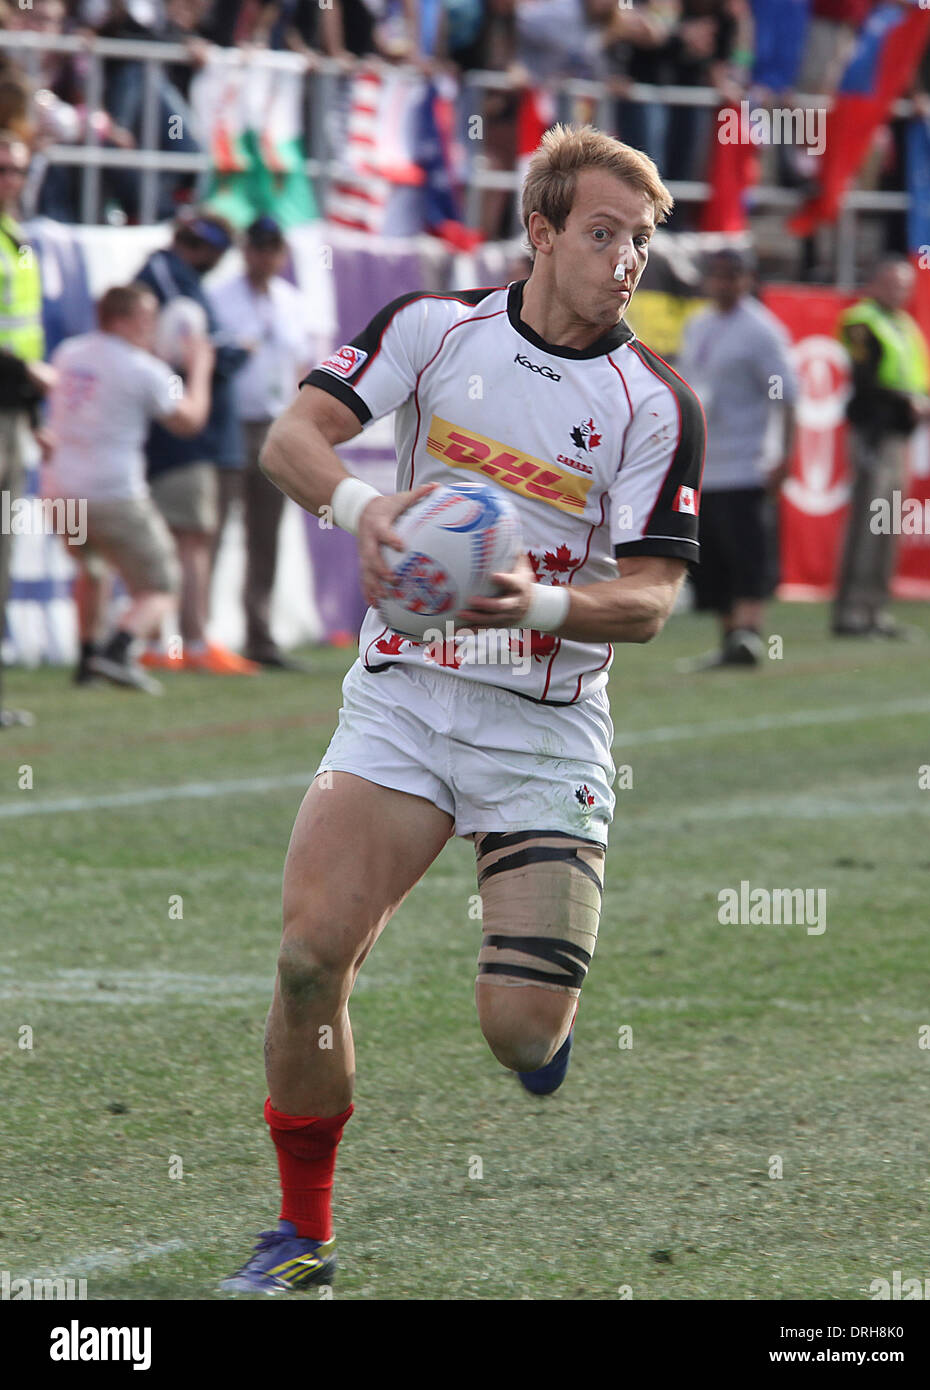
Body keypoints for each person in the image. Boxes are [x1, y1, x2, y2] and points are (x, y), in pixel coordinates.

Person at [220, 123, 705, 1295]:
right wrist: (360, 511)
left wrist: (526, 596)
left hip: (542, 728)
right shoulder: (432, 329)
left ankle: (545, 1024)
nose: (626, 260)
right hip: (404, 697)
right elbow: (295, 438)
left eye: (639, 241)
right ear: (540, 231)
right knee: (306, 959)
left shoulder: (654, 402)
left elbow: (644, 603)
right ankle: (302, 1236)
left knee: (517, 1031)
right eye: (603, 234)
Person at [42, 284, 214, 692]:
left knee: (92, 569)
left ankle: (86, 662)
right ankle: (118, 650)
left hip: (63, 488)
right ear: (122, 319)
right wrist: (201, 367)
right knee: (162, 585)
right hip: (113, 491)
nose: (152, 326)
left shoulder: (70, 352)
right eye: (146, 317)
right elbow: (189, 420)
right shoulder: (143, 369)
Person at [134, 212, 259, 675]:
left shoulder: (177, 276)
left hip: (191, 432)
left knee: (187, 537)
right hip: (183, 435)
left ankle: (176, 640)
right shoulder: (168, 275)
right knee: (188, 538)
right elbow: (194, 346)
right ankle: (187, 642)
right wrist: (229, 353)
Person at [677, 247, 798, 668]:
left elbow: (786, 394)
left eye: (732, 276)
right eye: (717, 275)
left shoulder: (761, 330)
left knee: (748, 550)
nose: (723, 284)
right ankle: (729, 638)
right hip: (706, 460)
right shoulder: (698, 324)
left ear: (747, 279)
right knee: (712, 554)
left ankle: (749, 632)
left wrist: (783, 454)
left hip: (747, 460)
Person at [208, 217, 318, 668]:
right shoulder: (220, 298)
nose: (266, 257)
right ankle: (195, 634)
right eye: (259, 248)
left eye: (273, 249)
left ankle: (260, 635)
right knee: (213, 527)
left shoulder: (292, 303)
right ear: (246, 251)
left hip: (274, 425)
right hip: (231, 423)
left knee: (265, 535)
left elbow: (301, 367)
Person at [832, 257, 930, 639]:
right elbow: (866, 378)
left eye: (905, 285)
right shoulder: (862, 320)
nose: (901, 292)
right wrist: (908, 400)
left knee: (888, 523)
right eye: (893, 283)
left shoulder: (904, 324)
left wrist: (926, 399)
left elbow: (914, 375)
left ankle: (876, 609)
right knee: (868, 522)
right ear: (875, 283)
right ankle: (852, 613)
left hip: (899, 436)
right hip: (873, 434)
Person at [0, 130, 50, 729]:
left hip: (12, 413)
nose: (11, 176)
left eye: (17, 166)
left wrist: (34, 416)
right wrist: (28, 374)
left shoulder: (19, 240)